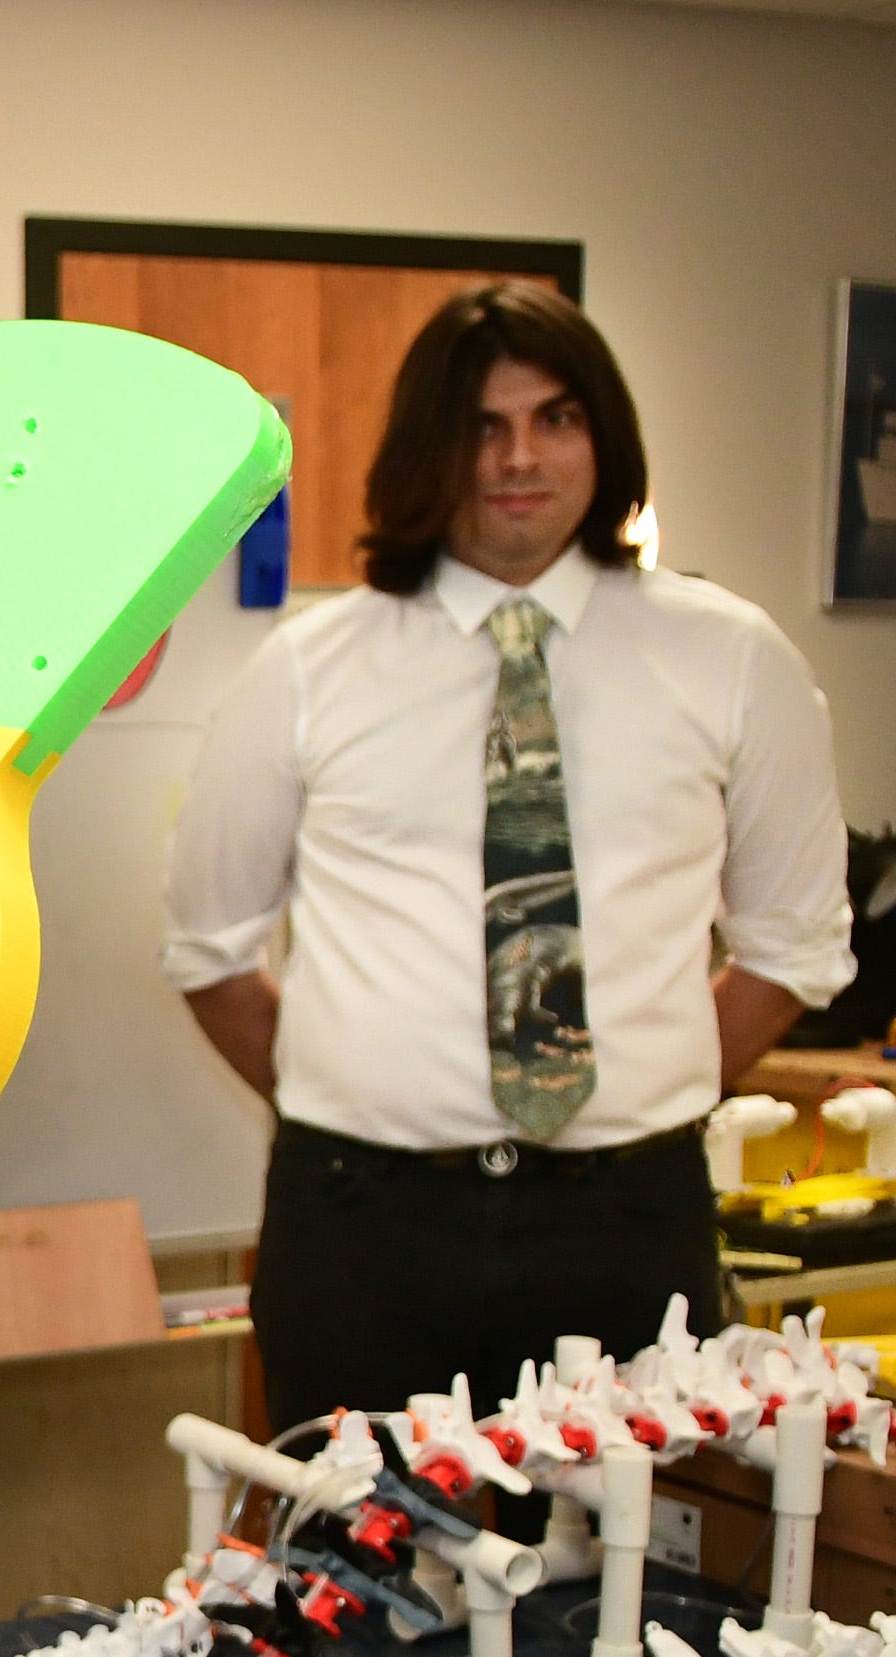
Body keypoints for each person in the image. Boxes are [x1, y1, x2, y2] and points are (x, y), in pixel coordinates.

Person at [162, 281, 854, 1453]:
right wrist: (364, 1100)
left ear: (605, 439)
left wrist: (644, 1090)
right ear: (427, 448)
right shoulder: (309, 668)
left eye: (555, 419)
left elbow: (793, 949)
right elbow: (209, 952)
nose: (518, 458)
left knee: (626, 1610)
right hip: (364, 1230)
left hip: (629, 1223)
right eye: (483, 426)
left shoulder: (734, 659)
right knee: (358, 1599)